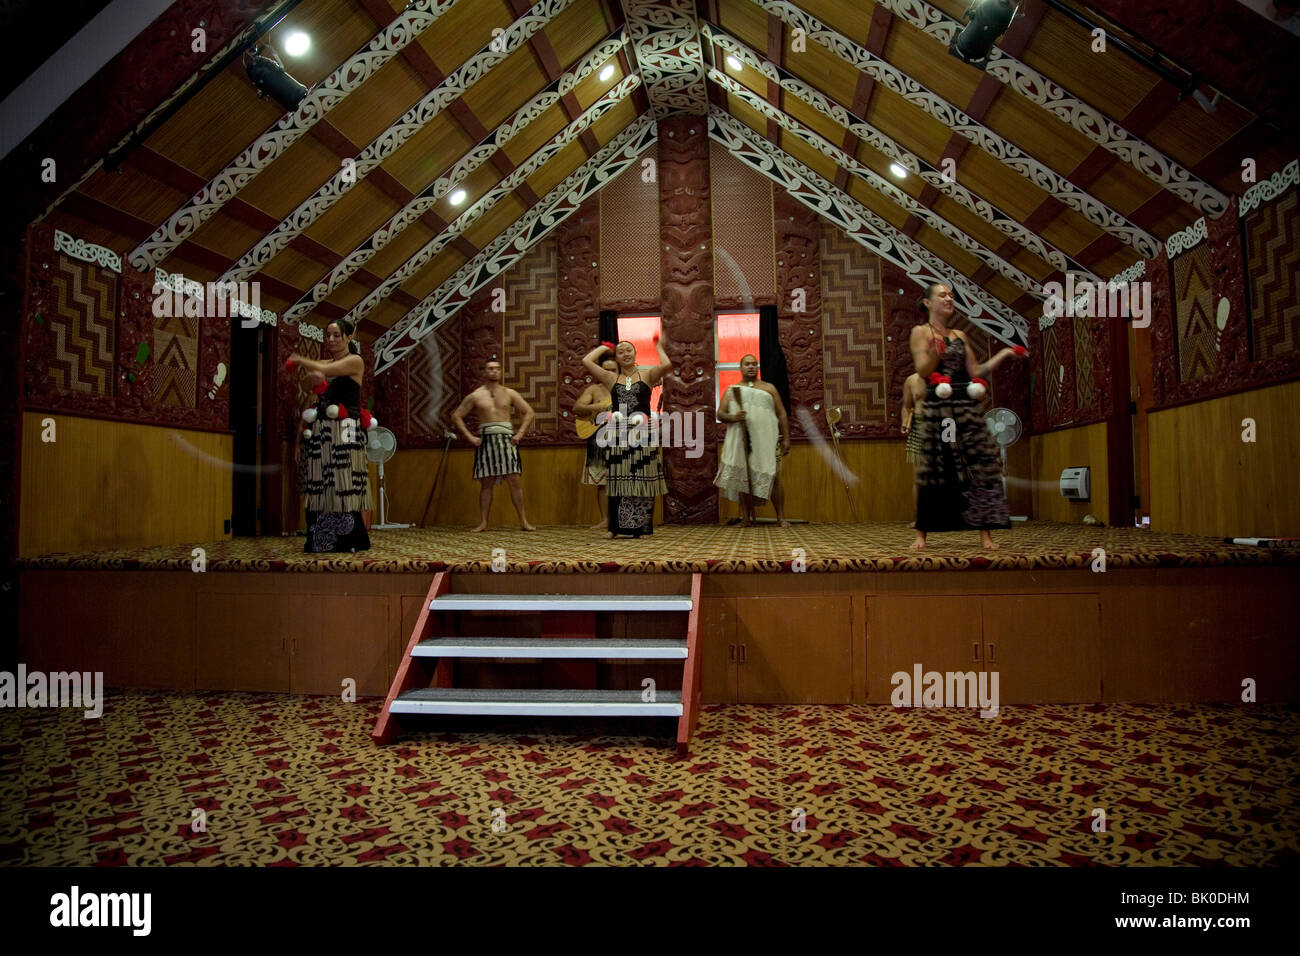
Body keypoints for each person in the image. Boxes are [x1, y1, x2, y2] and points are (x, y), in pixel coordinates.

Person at [908, 282, 1025, 550]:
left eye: (951, 295)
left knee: (980, 464)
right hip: (940, 406)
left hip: (966, 407)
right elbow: (922, 369)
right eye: (942, 295)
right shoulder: (920, 332)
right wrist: (936, 351)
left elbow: (976, 369)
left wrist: (1005, 353)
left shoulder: (960, 335)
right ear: (928, 303)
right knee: (936, 467)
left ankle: (985, 534)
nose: (949, 298)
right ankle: (921, 534)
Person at [291, 319, 373, 553]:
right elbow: (308, 383)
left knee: (343, 478)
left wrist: (302, 361)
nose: (331, 340)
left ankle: (349, 537)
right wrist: (311, 378)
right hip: (323, 427)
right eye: (328, 335)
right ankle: (320, 538)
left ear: (348, 337)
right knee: (322, 479)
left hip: (346, 426)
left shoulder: (355, 361)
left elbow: (322, 371)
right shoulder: (325, 363)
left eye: (337, 335)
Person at [582, 334, 672, 538]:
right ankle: (614, 528)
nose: (625, 354)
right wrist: (604, 348)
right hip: (620, 434)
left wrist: (658, 346)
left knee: (642, 479)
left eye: (628, 350)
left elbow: (666, 364)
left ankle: (640, 527)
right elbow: (586, 361)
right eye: (620, 351)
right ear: (617, 358)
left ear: (635, 353)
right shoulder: (610, 378)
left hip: (643, 434)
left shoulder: (647, 376)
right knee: (618, 479)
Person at [450, 359, 536, 532]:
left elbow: (529, 412)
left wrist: (519, 434)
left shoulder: (509, 393)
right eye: (490, 368)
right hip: (485, 439)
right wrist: (469, 437)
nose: (494, 371)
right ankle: (483, 522)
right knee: (486, 482)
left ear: (501, 372)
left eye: (497, 368)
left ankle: (523, 521)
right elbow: (456, 416)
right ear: (484, 372)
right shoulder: (476, 395)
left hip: (506, 439)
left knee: (514, 480)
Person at [715, 354, 791, 527]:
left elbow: (781, 414)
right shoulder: (732, 390)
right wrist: (734, 417)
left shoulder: (769, 388)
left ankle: (781, 517)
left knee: (775, 477)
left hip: (767, 442)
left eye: (754, 364)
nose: (750, 367)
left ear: (757, 367)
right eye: (747, 364)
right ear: (741, 368)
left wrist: (786, 438)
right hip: (743, 442)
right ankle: (746, 517)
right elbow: (720, 414)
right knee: (743, 477)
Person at [572, 351, 618, 528]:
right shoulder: (593, 390)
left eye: (613, 369)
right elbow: (577, 408)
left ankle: (619, 518)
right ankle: (605, 519)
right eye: (605, 370)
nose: (609, 373)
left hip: (620, 437)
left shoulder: (625, 387)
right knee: (601, 481)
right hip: (598, 438)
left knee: (620, 479)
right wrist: (599, 406)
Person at [900, 371, 926, 528]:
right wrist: (905, 421)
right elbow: (906, 406)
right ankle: (920, 518)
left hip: (943, 428)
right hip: (918, 427)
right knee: (919, 478)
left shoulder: (946, 376)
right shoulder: (911, 380)